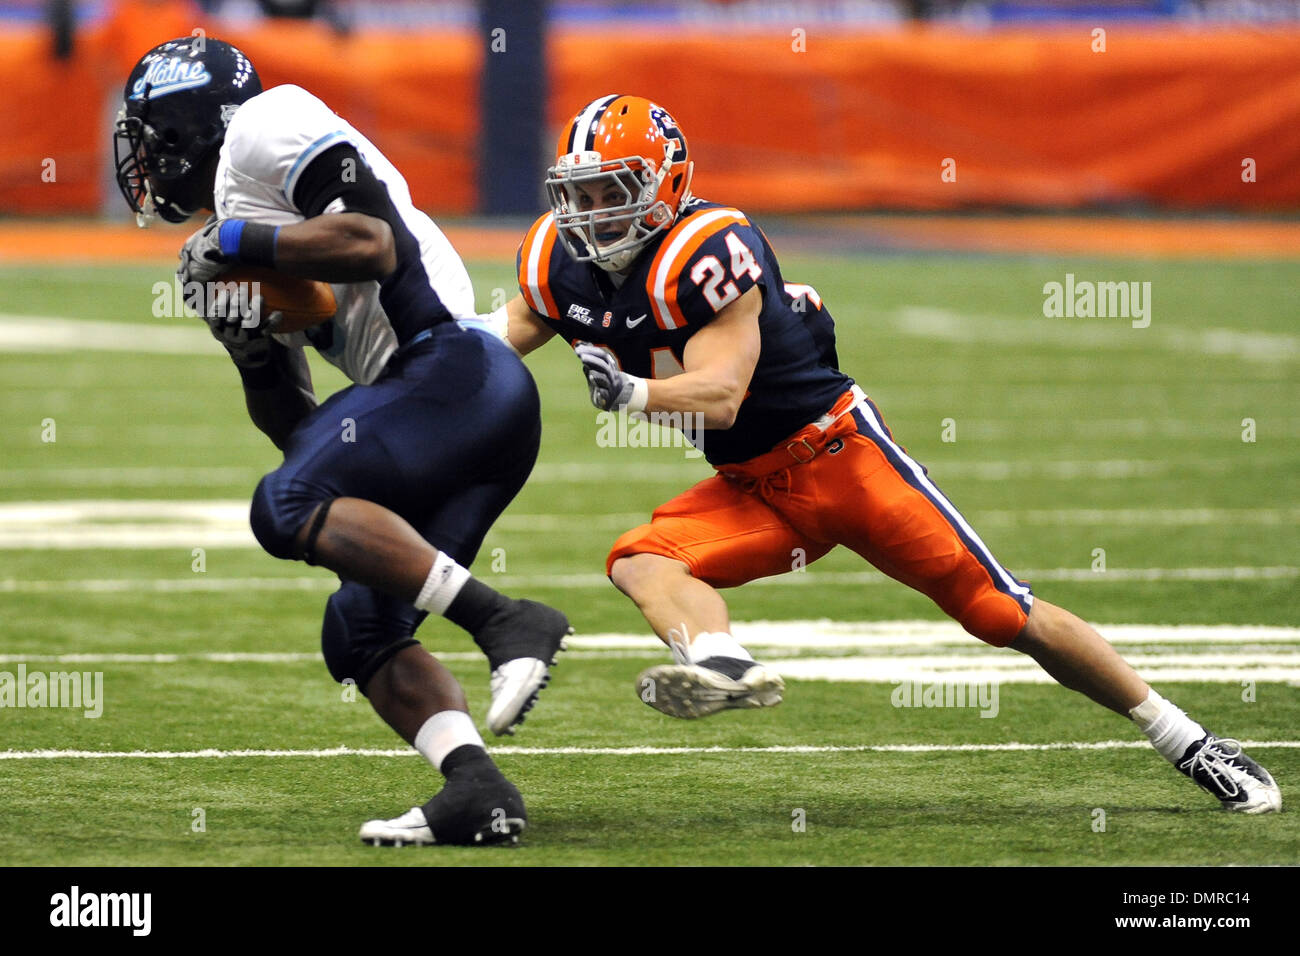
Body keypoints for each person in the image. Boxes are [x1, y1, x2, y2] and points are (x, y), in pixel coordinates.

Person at [478, 93, 1281, 814]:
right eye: (577, 194)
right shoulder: (557, 257)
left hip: (841, 459)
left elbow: (719, 392)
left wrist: (635, 395)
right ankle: (725, 665)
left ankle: (1187, 739)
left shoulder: (708, 249)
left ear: (665, 185)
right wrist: (419, 359)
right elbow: (502, 336)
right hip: (752, 486)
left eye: (609, 193)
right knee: (642, 559)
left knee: (1000, 611)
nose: (588, 213)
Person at [113, 36, 571, 845]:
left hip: (457, 371)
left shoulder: (266, 122)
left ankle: (507, 621)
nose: (143, 158)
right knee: (360, 628)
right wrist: (249, 344)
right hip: (438, 407)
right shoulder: (238, 216)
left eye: (150, 136)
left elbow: (372, 242)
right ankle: (477, 790)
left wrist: (234, 247)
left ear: (187, 125)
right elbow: (297, 429)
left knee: (285, 504)